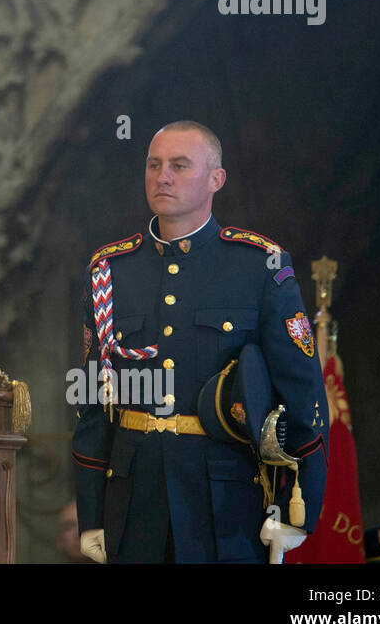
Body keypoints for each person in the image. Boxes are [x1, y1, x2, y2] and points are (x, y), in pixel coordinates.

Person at [71, 121, 328, 563]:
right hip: (134, 505)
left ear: (216, 179)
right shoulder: (110, 270)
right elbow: (95, 404)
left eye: (179, 165)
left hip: (227, 505)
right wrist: (92, 512)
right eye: (154, 165)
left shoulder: (259, 266)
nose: (162, 176)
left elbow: (303, 395)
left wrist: (296, 510)